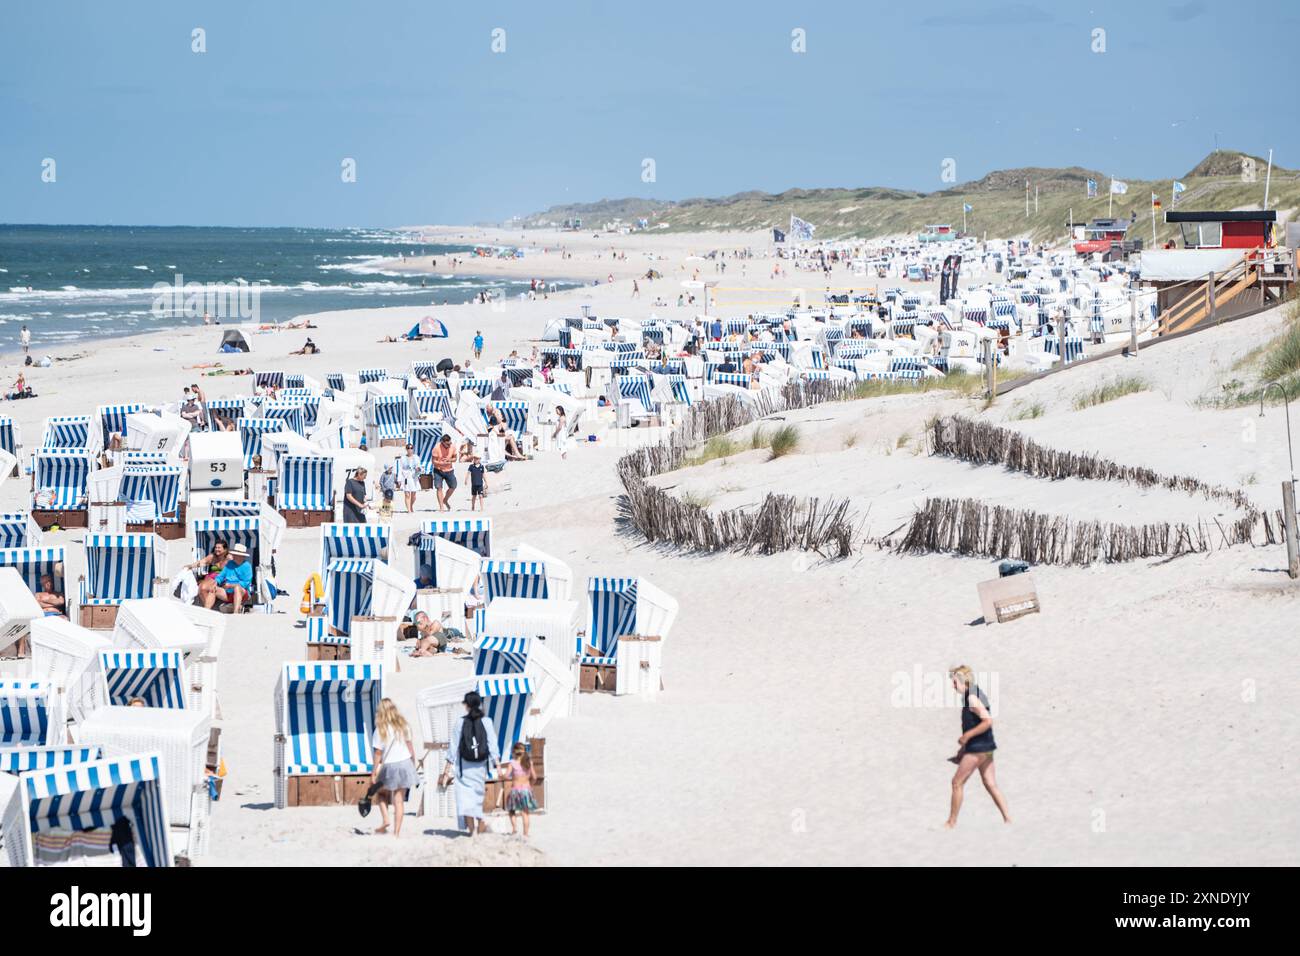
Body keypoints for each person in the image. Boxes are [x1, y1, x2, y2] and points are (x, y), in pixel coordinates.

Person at [945, 665, 1011, 829]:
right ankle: (1008, 820)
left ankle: (951, 823)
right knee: (990, 783)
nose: (953, 686)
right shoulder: (974, 694)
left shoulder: (972, 699)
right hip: (987, 747)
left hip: (978, 749)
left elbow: (987, 721)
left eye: (954, 683)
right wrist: (962, 750)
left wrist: (967, 737)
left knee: (956, 783)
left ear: (963, 681)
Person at [437, 691, 499, 836]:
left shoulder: (460, 722)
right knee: (477, 798)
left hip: (464, 768)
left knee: (465, 799)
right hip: (480, 767)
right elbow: (492, 744)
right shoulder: (487, 721)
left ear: (467, 705)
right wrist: (498, 764)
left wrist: (447, 769)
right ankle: (481, 824)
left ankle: (472, 832)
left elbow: (453, 747)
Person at [369, 698, 417, 837]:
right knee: (399, 800)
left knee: (381, 793)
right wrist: (413, 764)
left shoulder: (380, 729)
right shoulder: (404, 725)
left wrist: (373, 772)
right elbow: (410, 748)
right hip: (405, 763)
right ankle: (396, 834)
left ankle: (386, 819)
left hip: (390, 766)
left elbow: (378, 753)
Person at [504, 742, 539, 838]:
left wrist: (502, 775)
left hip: (515, 790)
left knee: (511, 810)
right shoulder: (528, 763)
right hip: (526, 790)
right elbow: (535, 777)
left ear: (514, 752)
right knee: (525, 813)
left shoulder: (512, 763)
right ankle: (526, 834)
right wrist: (530, 785)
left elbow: (506, 776)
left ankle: (514, 828)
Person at [187, 539, 230, 609]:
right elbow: (202, 562)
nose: (216, 549)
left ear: (225, 549)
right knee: (202, 587)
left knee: (204, 587)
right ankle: (208, 609)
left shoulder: (229, 558)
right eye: (216, 547)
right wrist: (190, 566)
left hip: (223, 579)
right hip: (212, 577)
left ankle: (207, 610)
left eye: (219, 548)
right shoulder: (212, 557)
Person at [212, 542, 254, 614]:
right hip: (227, 591)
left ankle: (235, 612)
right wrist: (216, 582)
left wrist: (231, 585)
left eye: (235, 554)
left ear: (241, 556)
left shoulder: (247, 566)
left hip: (242, 592)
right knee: (212, 588)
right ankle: (207, 610)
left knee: (237, 587)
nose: (233, 555)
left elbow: (246, 583)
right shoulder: (229, 563)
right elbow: (221, 575)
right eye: (234, 554)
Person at [431, 434, 458, 511]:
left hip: (449, 470)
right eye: (447, 444)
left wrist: (450, 460)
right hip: (438, 470)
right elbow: (433, 461)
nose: (449, 445)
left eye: (450, 443)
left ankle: (445, 500)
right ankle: (441, 507)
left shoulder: (452, 446)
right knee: (439, 488)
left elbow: (455, 458)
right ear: (442, 442)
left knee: (453, 486)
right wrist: (441, 463)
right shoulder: (436, 448)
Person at [397, 444, 422, 513]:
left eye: (411, 448)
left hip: (414, 478)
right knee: (407, 494)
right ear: (406, 449)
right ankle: (409, 510)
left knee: (413, 495)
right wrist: (399, 479)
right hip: (406, 478)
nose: (410, 449)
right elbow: (400, 469)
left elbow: (419, 466)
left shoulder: (416, 457)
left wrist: (418, 469)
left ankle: (411, 506)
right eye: (408, 448)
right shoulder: (403, 458)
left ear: (413, 449)